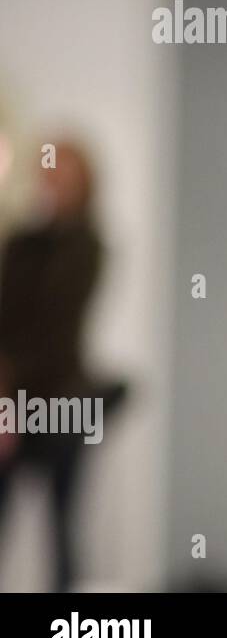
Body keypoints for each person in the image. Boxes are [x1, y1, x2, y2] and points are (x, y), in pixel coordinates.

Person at [0, 136, 114, 592]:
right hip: (12, 398)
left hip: (62, 398)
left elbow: (55, 327)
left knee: (63, 524)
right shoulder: (20, 244)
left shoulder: (88, 247)